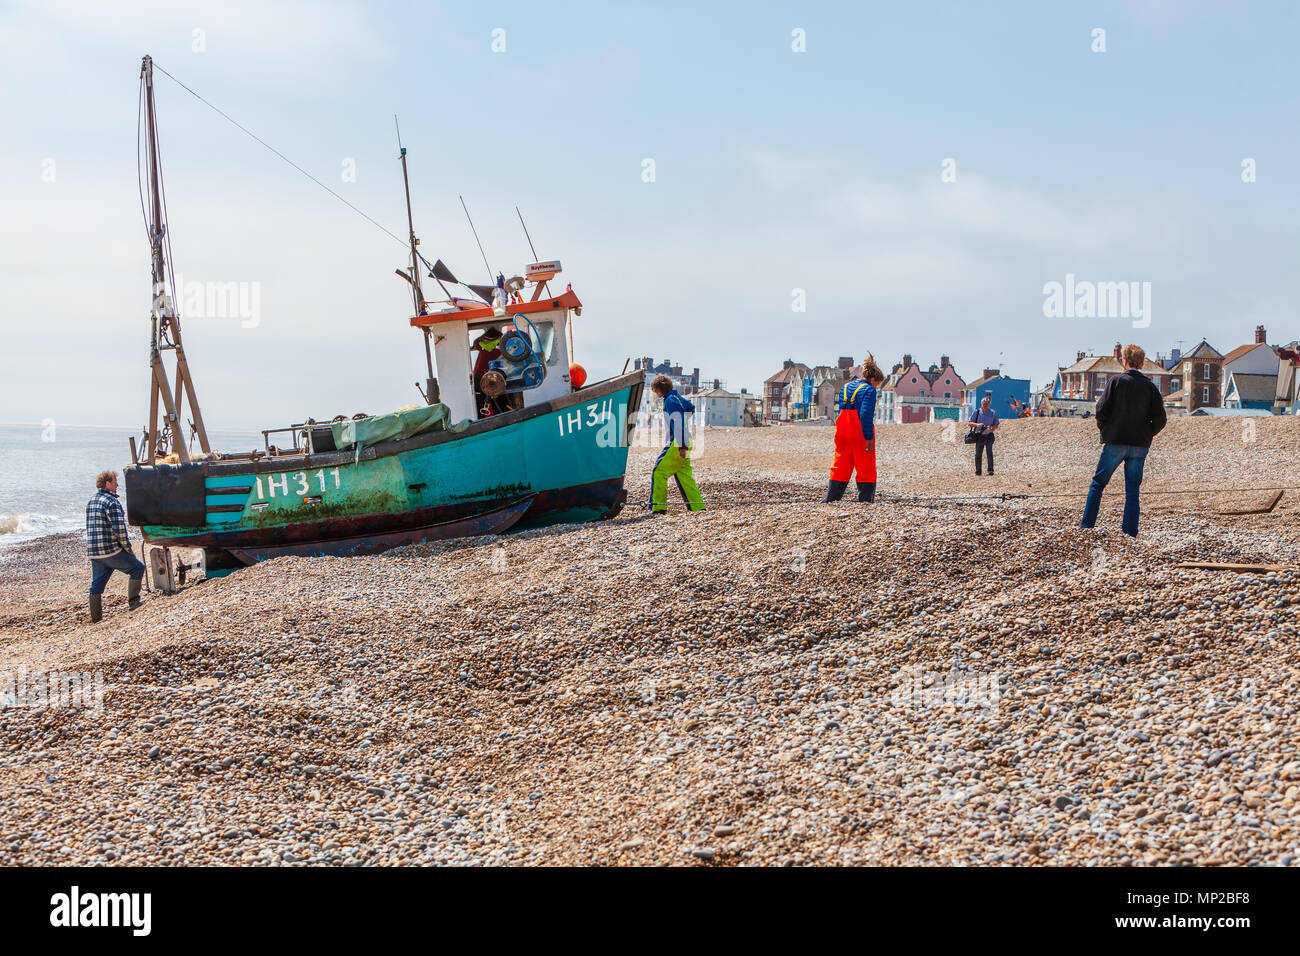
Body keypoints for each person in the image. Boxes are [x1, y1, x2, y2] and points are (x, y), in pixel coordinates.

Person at [1081, 343, 1166, 537]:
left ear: (1124, 361)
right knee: (1132, 490)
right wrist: (1147, 434)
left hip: (1116, 441)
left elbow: (1101, 409)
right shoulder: (1150, 387)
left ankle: (1087, 527)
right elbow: (1161, 419)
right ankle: (1129, 533)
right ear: (1142, 362)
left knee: (1098, 484)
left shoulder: (1116, 381)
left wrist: (1106, 429)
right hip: (1139, 444)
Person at [86, 470, 145, 622]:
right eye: (115, 482)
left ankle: (96, 619)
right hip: (110, 550)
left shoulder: (91, 501)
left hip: (94, 551)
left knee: (96, 585)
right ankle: (134, 602)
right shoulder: (111, 502)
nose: (117, 484)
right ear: (107, 483)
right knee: (138, 568)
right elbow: (119, 530)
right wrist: (128, 549)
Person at [826, 353, 885, 502]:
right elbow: (865, 414)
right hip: (859, 432)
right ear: (872, 379)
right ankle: (865, 499)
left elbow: (840, 411)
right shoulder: (869, 390)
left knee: (840, 464)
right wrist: (869, 438)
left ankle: (831, 498)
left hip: (842, 431)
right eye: (877, 384)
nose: (876, 387)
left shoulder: (846, 387)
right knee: (866, 466)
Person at [649, 374, 706, 514]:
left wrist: (681, 446)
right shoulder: (678, 398)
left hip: (678, 442)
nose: (655, 394)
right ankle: (697, 507)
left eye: (655, 391)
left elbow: (678, 422)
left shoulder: (670, 400)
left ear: (659, 390)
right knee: (683, 474)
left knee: (659, 471)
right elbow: (691, 408)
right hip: (687, 439)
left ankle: (659, 507)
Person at [968, 395, 999, 475]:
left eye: (987, 403)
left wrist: (990, 428)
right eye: (984, 403)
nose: (985, 405)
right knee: (978, 453)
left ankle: (990, 470)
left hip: (989, 435)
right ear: (981, 403)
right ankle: (978, 471)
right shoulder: (977, 412)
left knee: (989, 452)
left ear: (989, 404)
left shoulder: (993, 413)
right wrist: (977, 425)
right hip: (979, 435)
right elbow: (970, 423)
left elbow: (996, 425)